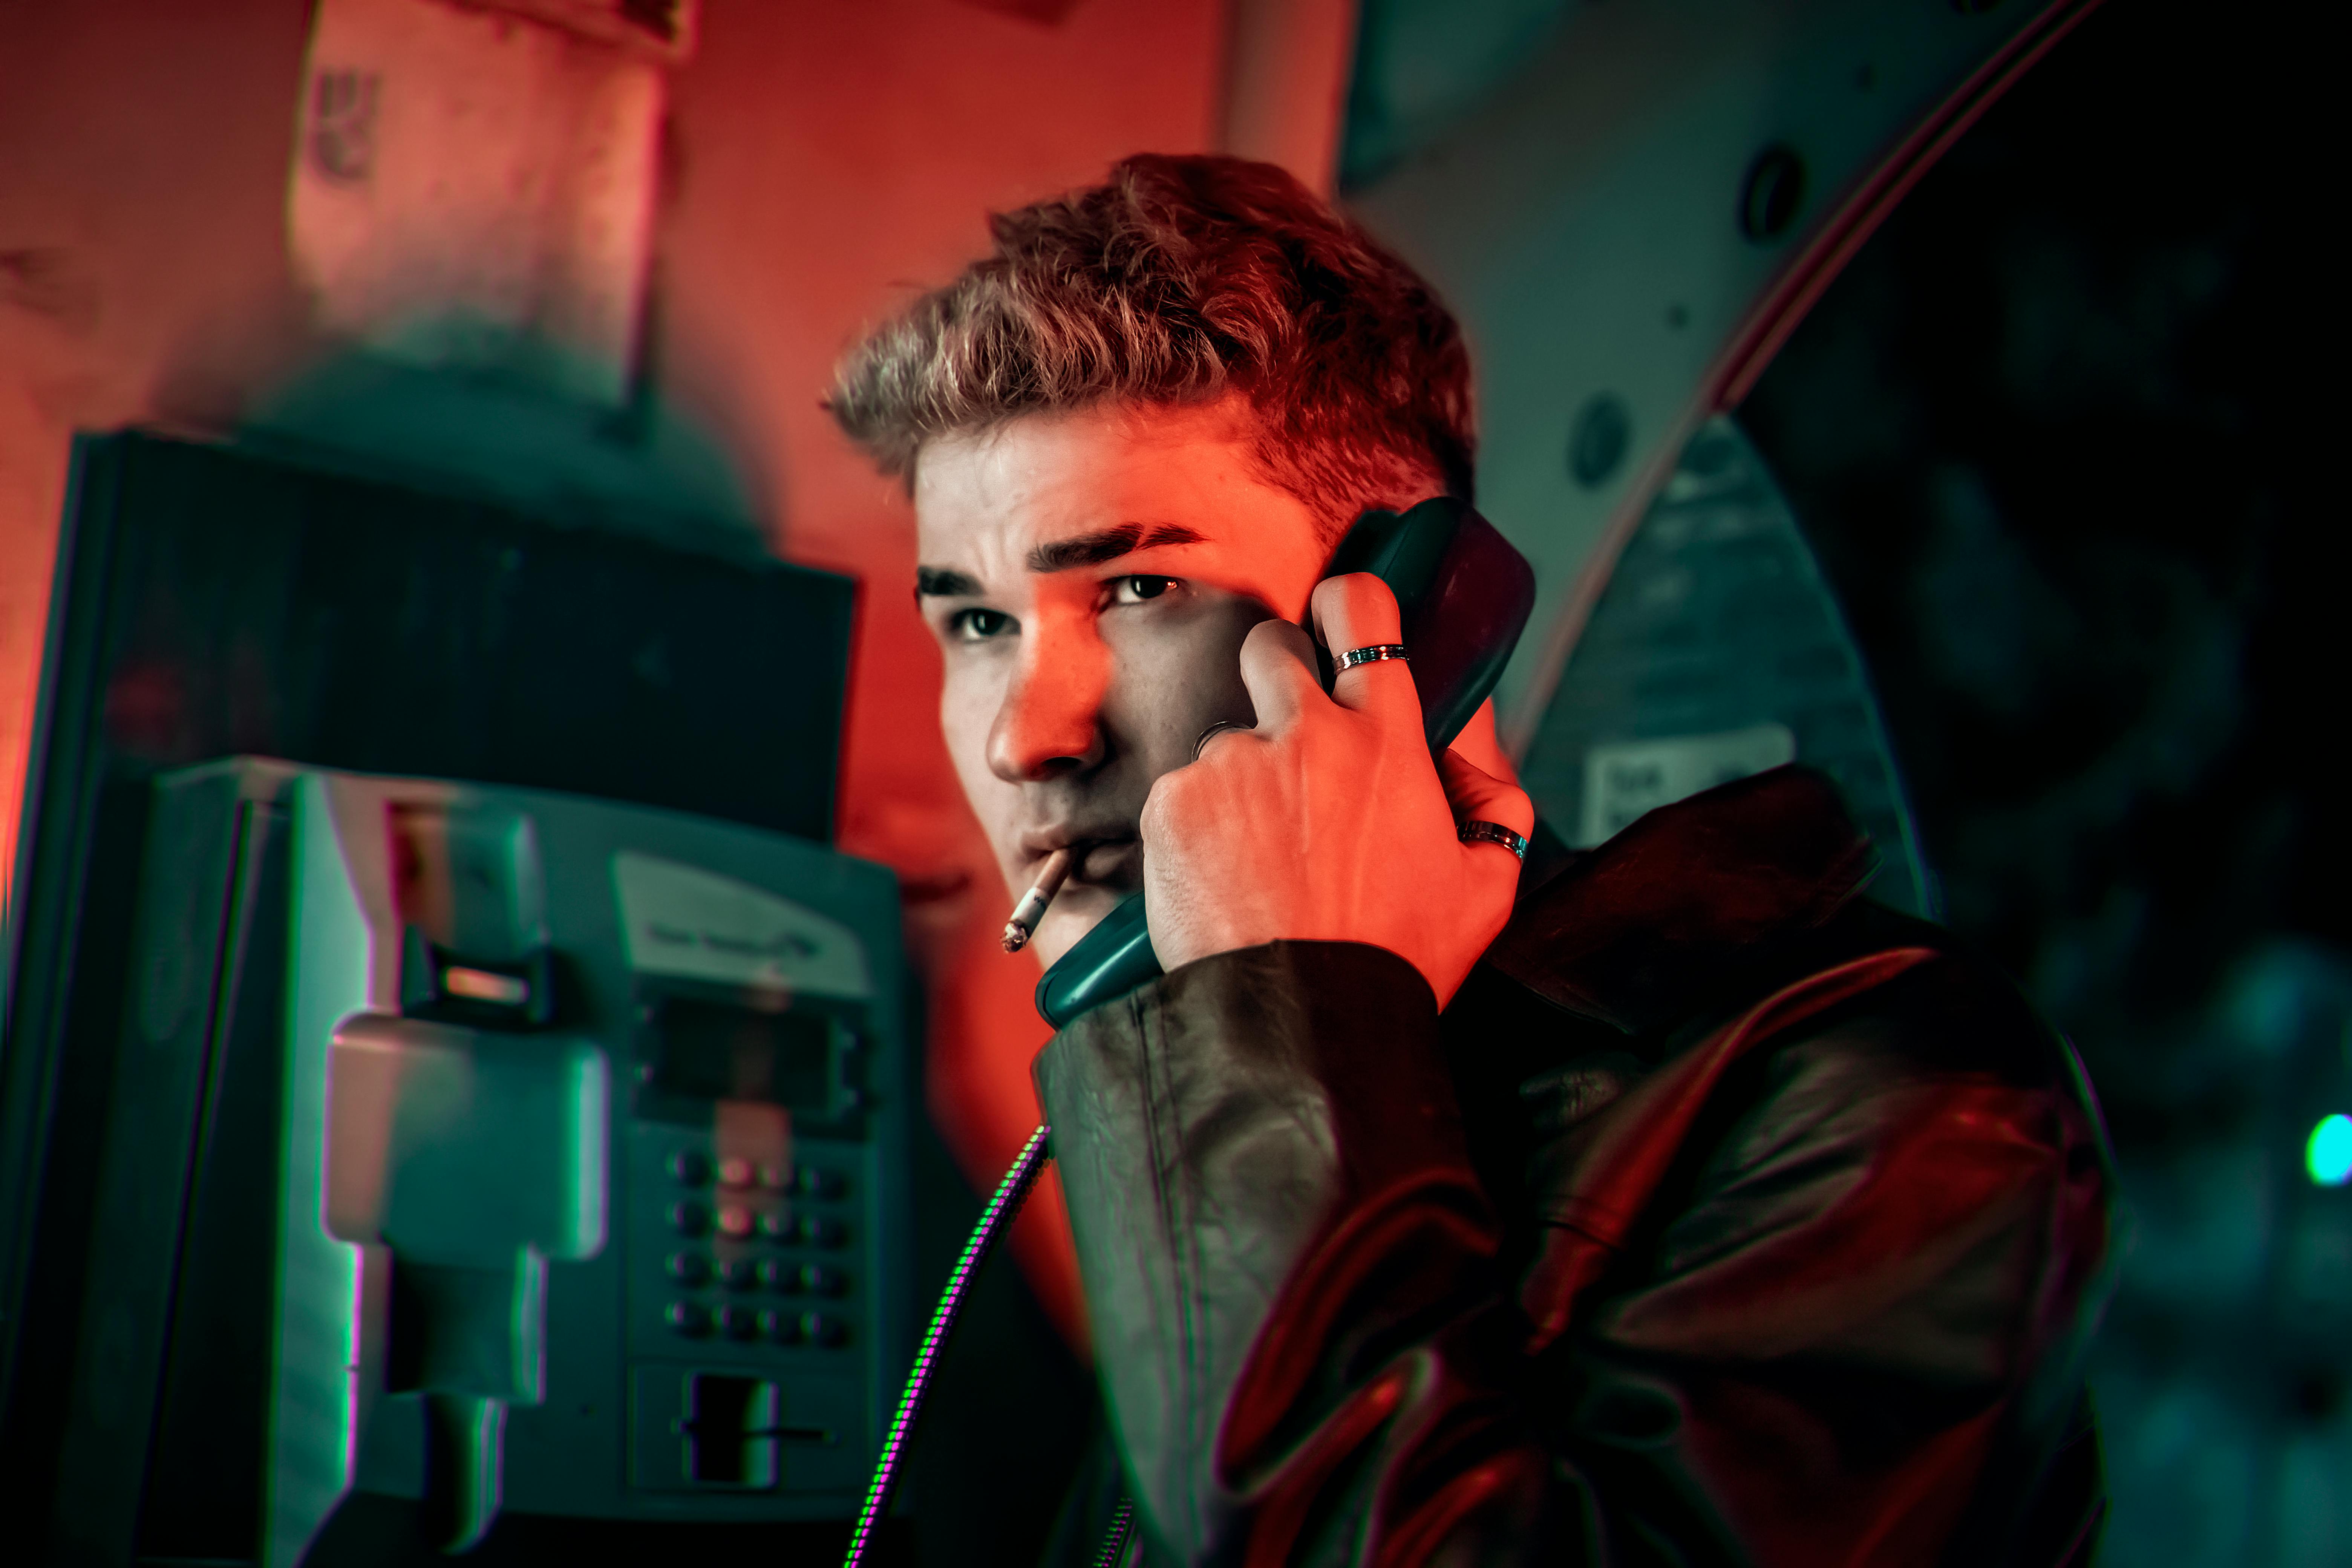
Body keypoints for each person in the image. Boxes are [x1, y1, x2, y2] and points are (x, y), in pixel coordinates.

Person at [829, 153, 2115, 1567]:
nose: (1024, 737)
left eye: (1138, 589)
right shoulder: (1202, 1095)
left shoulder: (1894, 1092)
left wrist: (1280, 992)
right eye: (975, 625)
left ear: (1417, 620)